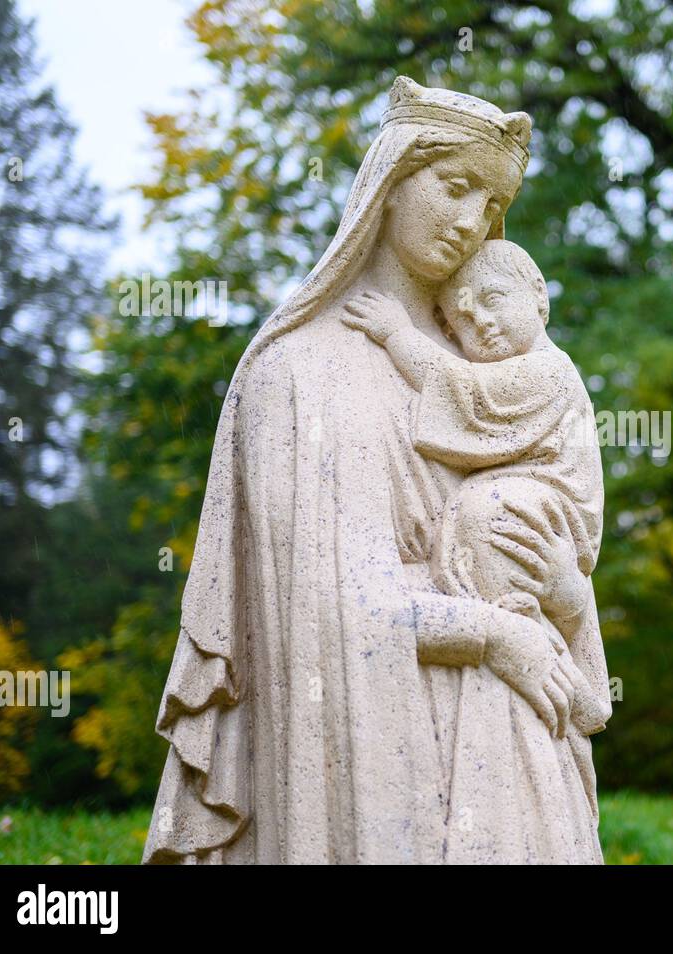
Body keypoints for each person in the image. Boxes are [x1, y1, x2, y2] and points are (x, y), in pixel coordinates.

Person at [143, 77, 609, 864]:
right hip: (388, 766)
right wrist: (495, 637)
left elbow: (556, 553)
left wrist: (567, 596)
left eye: (490, 206)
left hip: (525, 744)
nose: (470, 222)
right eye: (454, 186)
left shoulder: (495, 371)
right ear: (389, 183)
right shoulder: (298, 375)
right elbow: (333, 604)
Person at [341, 239, 609, 735]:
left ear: (539, 296)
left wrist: (397, 335)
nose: (479, 321)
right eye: (459, 320)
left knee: (506, 549)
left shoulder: (548, 371)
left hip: (546, 515)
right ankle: (559, 677)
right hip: (526, 522)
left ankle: (579, 694)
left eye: (492, 299)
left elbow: (467, 393)